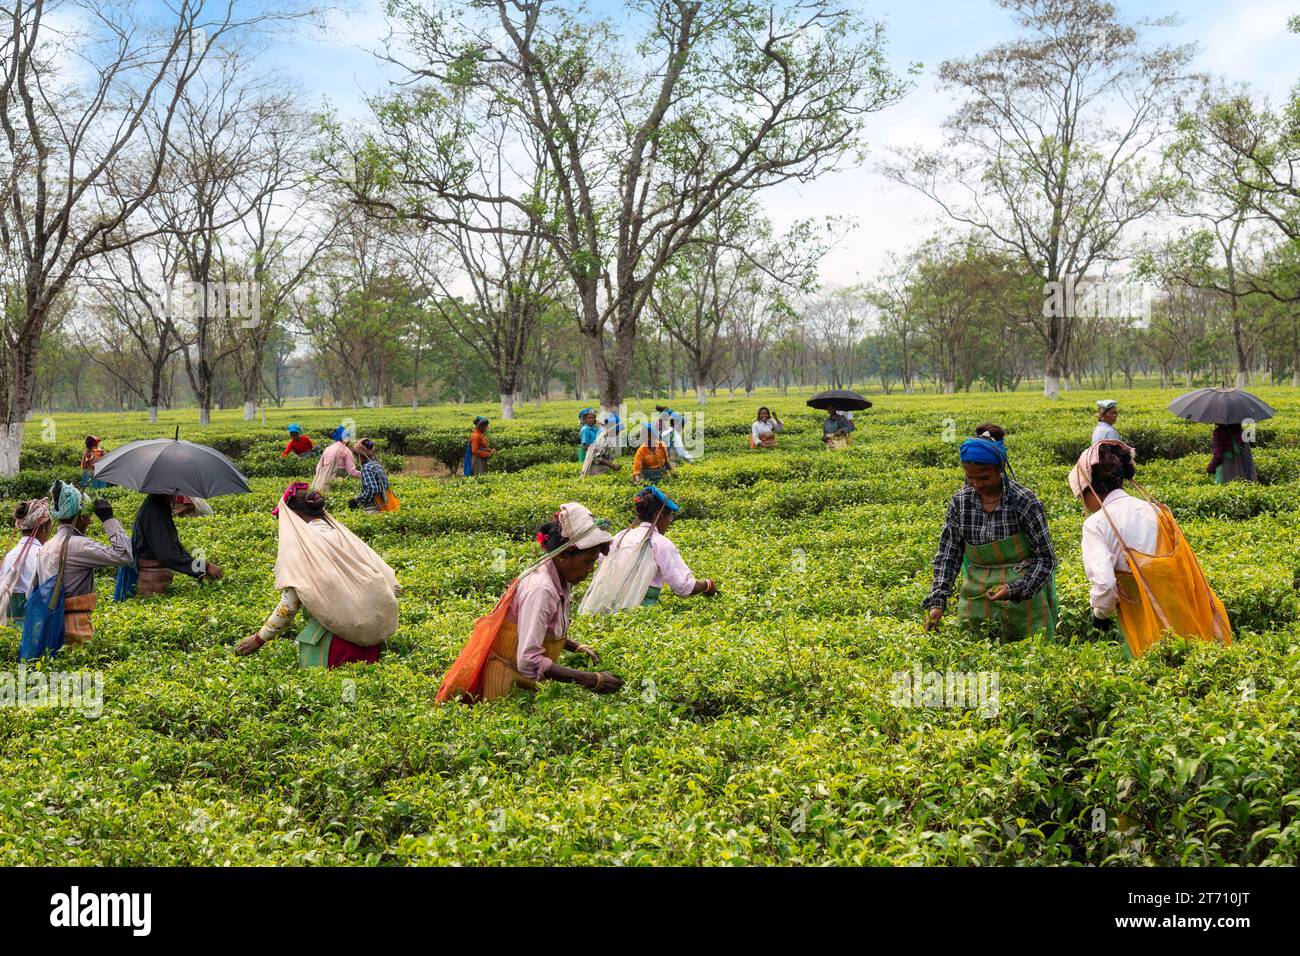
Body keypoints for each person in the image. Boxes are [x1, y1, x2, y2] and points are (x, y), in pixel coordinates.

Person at [437, 503, 624, 702]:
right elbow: (528, 660)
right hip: (507, 682)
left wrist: (575, 646)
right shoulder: (541, 589)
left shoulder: (560, 578)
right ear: (562, 555)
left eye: (593, 563)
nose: (590, 570)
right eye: (586, 562)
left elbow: (534, 628)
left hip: (526, 682)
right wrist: (591, 679)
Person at [1071, 440, 1232, 656]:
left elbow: (1106, 585)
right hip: (1180, 608)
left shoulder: (1096, 524)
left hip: (1141, 617)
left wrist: (1099, 616)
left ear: (1090, 488)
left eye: (1081, 495)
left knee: (1151, 669)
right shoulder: (1155, 510)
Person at [235, 484, 400, 668]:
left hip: (335, 643)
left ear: (292, 518)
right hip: (370, 640)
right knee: (361, 693)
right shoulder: (342, 536)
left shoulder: (305, 548)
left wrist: (259, 638)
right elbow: (392, 583)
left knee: (334, 693)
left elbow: (289, 605)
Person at [922, 425, 1057, 640]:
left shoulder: (1024, 501)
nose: (977, 484)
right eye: (970, 478)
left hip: (1025, 601)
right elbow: (948, 556)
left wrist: (1015, 589)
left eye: (984, 478)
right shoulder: (960, 503)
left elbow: (1046, 559)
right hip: (976, 598)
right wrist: (937, 602)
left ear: (1000, 469)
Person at [27, 481, 133, 651]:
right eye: (89, 517)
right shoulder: (80, 546)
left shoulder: (46, 547)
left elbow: (31, 593)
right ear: (81, 517)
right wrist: (108, 519)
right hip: (75, 628)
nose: (90, 522)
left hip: (48, 629)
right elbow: (125, 555)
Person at [602, 485, 717, 606]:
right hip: (640, 612)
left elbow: (601, 560)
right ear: (660, 516)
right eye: (669, 517)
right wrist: (707, 584)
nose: (669, 522)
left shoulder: (621, 536)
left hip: (608, 604)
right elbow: (684, 586)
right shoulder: (661, 544)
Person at [122, 493, 223, 597]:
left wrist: (199, 571)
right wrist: (205, 566)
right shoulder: (154, 511)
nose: (175, 495)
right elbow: (168, 555)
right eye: (172, 491)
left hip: (156, 577)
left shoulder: (160, 506)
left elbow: (173, 544)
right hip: (151, 579)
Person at [0, 498, 52, 626]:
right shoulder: (44, 554)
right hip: (36, 624)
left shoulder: (10, 556)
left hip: (11, 626)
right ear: (44, 526)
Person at [311, 424, 361, 493]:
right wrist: (364, 476)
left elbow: (318, 467)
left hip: (319, 483)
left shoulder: (328, 448)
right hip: (334, 481)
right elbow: (352, 472)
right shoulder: (345, 450)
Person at [349, 439, 393, 513]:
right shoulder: (377, 464)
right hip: (384, 505)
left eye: (356, 457)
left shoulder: (366, 467)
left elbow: (372, 489)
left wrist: (357, 500)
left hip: (374, 508)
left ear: (360, 456)